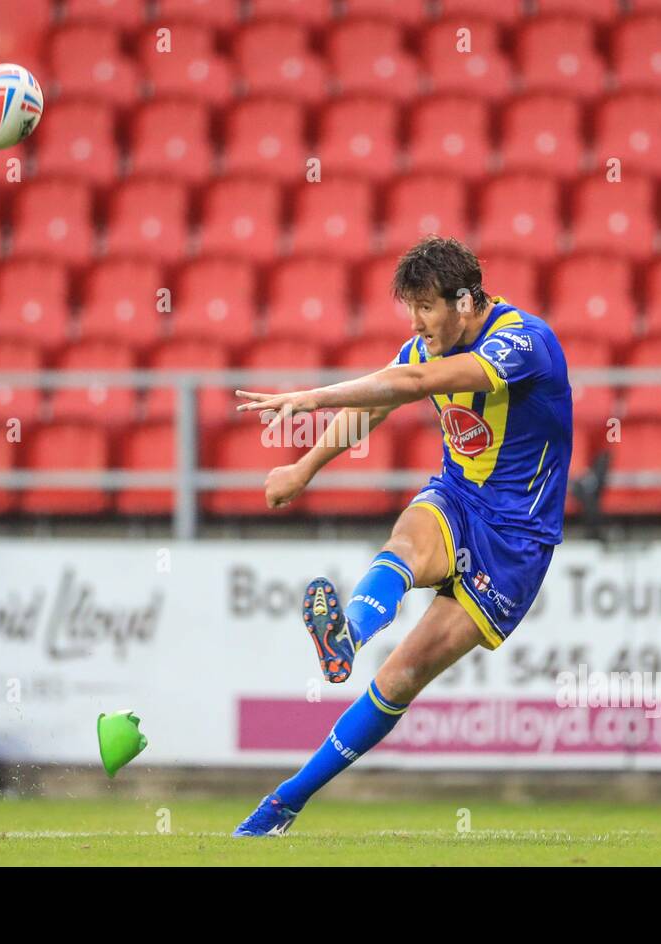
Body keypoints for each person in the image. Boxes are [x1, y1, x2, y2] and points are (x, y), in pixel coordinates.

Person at [231, 236, 573, 836]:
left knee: (400, 679)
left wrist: (312, 397)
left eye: (426, 308)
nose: (416, 323)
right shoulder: (425, 346)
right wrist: (304, 468)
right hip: (458, 498)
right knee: (405, 544)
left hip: (517, 539)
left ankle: (285, 802)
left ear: (464, 302)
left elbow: (411, 383)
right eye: (410, 308)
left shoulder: (524, 342)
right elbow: (376, 405)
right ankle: (348, 635)